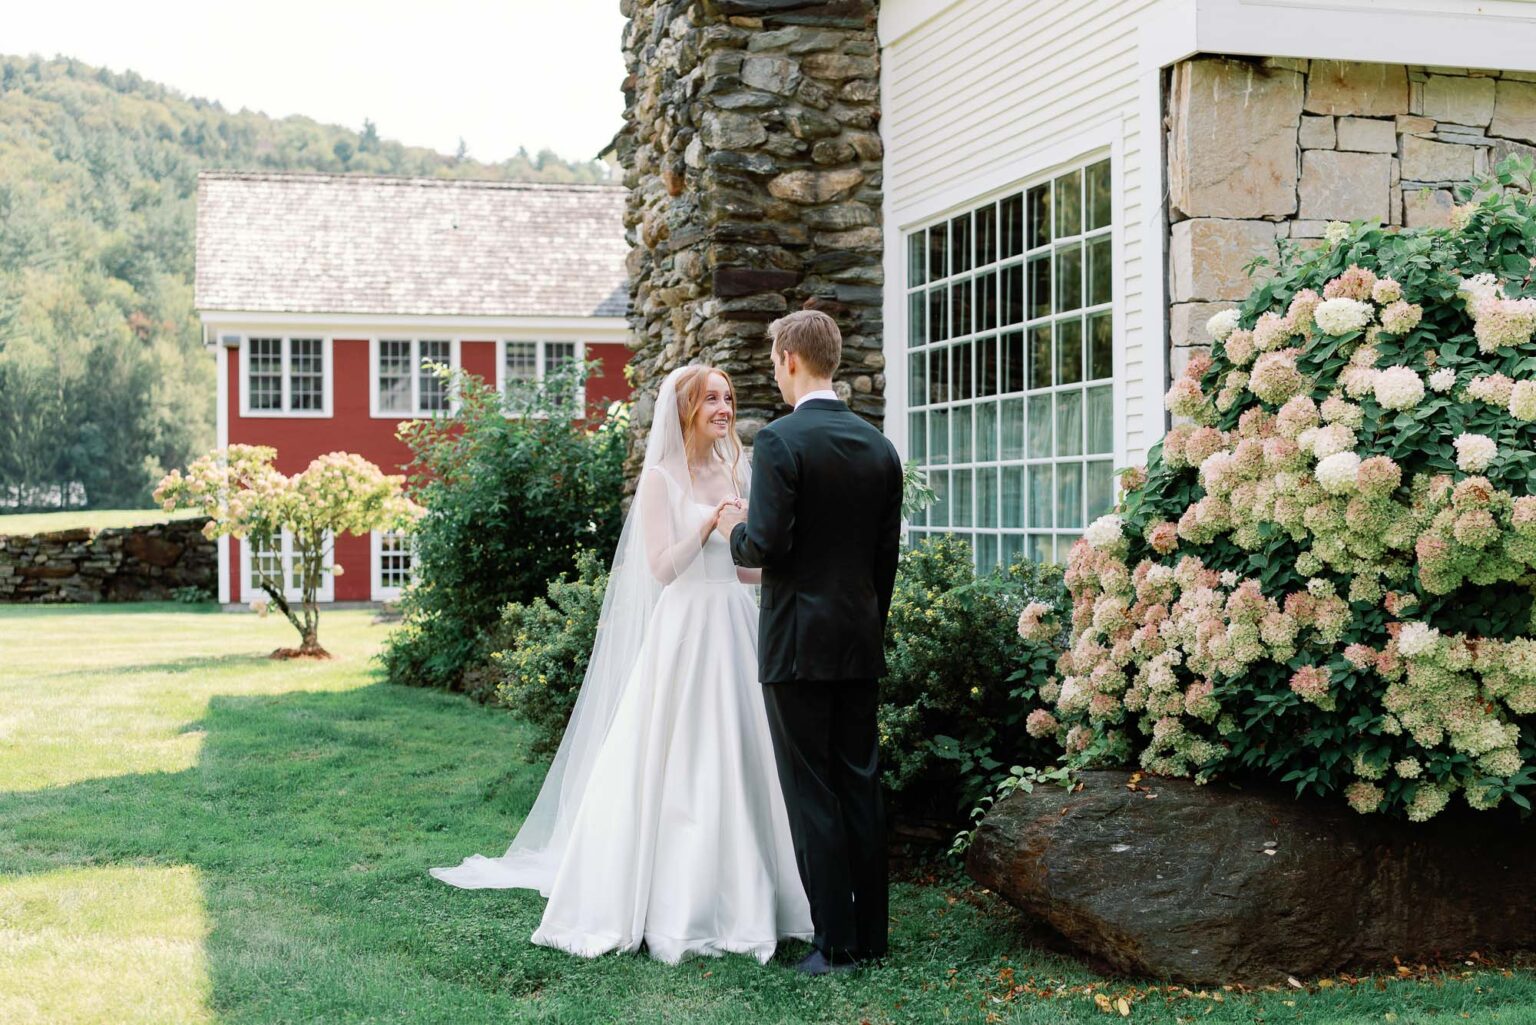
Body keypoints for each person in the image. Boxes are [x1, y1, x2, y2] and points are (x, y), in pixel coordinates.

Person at [430, 365, 814, 965]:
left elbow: (744, 570)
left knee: (743, 755)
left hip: (736, 625)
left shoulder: (739, 470)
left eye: (728, 398)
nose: (723, 407)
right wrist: (710, 524)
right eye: (711, 398)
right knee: (679, 756)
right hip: (685, 628)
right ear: (685, 408)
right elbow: (662, 567)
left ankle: (752, 894)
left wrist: (792, 567)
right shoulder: (661, 479)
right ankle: (672, 901)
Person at [718, 308, 904, 976]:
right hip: (857, 639)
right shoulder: (879, 447)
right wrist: (867, 624)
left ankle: (836, 942)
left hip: (796, 642)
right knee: (859, 781)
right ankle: (872, 934)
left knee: (811, 791)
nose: (773, 370)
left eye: (773, 358)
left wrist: (734, 529)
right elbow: (886, 557)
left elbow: (764, 545)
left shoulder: (779, 442)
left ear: (790, 358)